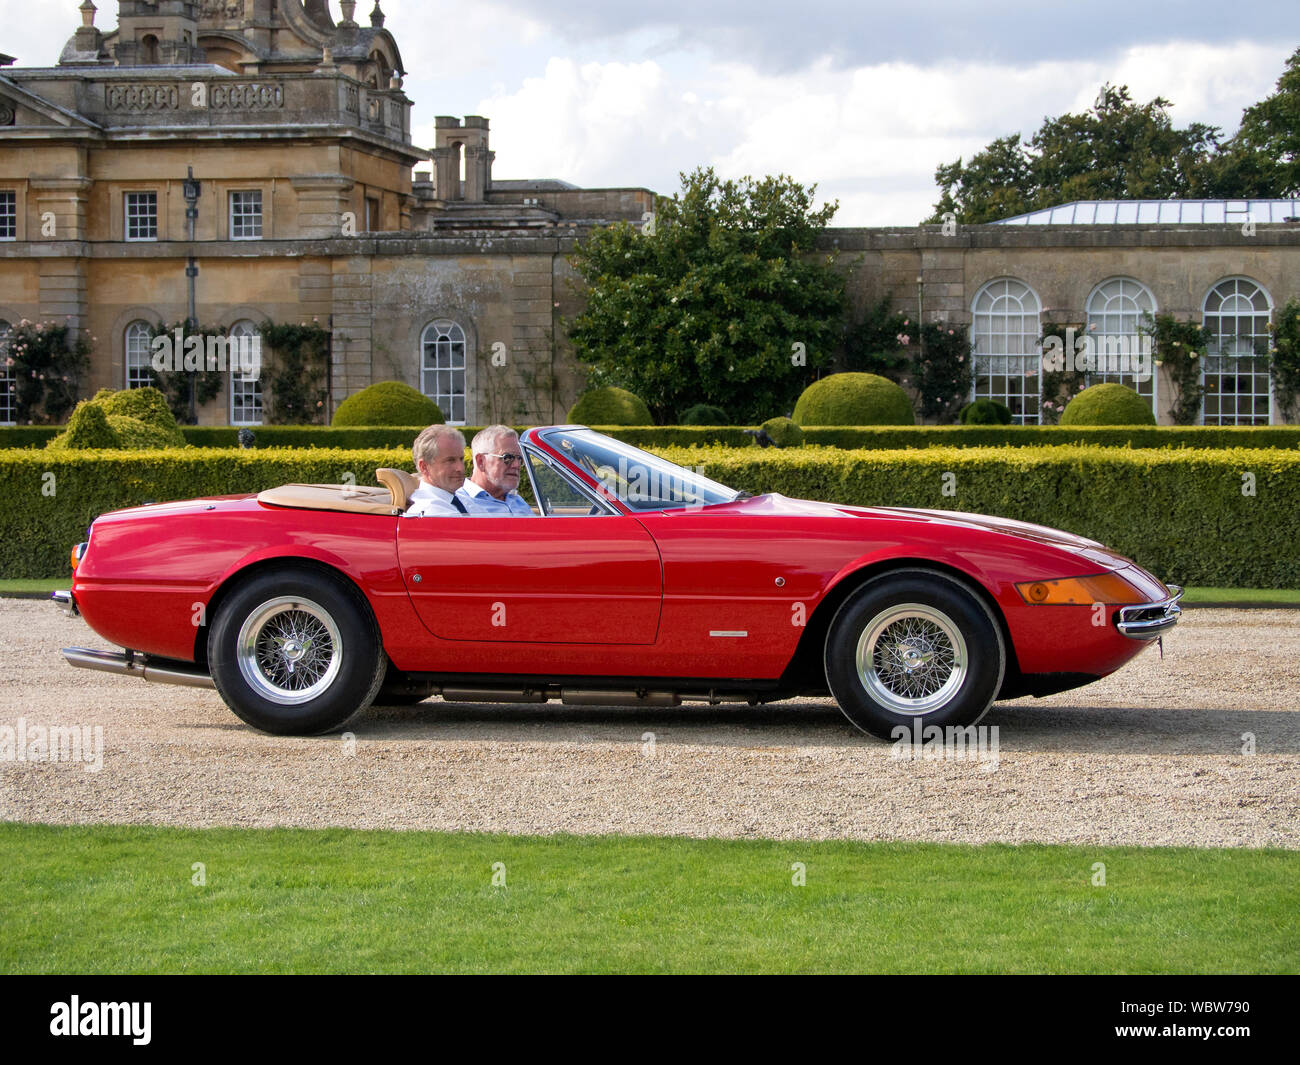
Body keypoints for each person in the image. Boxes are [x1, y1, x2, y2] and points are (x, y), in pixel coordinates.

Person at [461, 424, 535, 516]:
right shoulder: (459, 504)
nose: (516, 465)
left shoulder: (516, 500)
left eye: (520, 458)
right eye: (507, 458)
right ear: (481, 461)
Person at [404, 424, 472, 517]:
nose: (460, 468)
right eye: (450, 460)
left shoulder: (462, 499)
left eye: (461, 459)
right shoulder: (430, 511)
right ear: (424, 467)